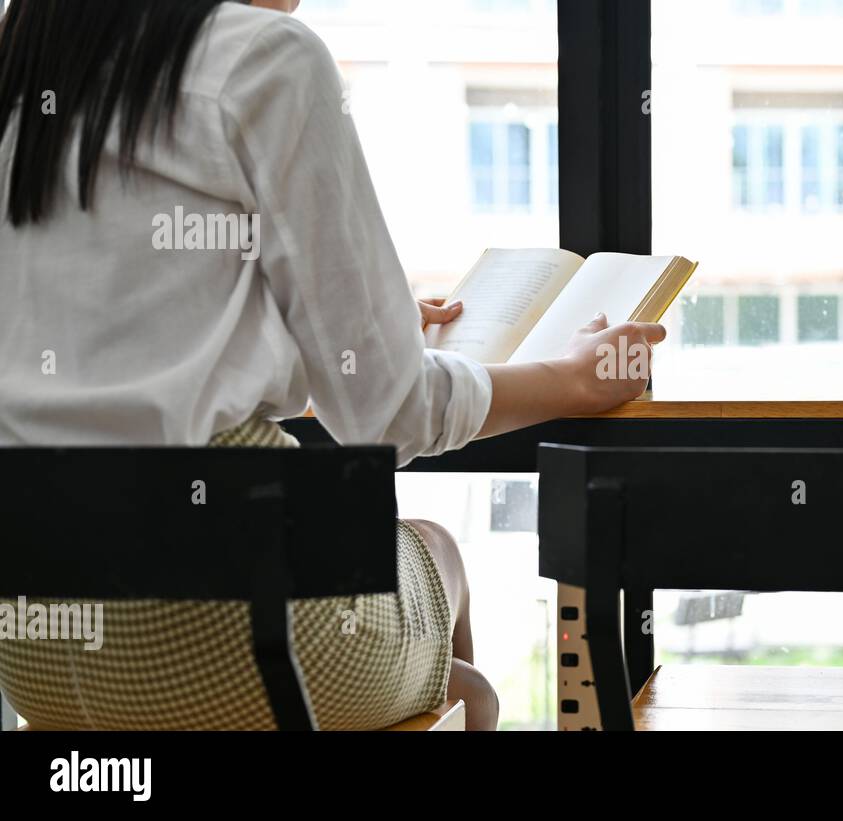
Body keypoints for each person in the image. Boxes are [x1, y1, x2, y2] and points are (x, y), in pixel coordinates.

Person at [0, 0, 665, 731]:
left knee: (445, 666)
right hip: (230, 628)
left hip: (34, 657)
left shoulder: (28, 64)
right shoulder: (264, 57)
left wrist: (341, 324)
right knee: (440, 560)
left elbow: (119, 327)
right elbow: (390, 413)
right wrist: (571, 379)